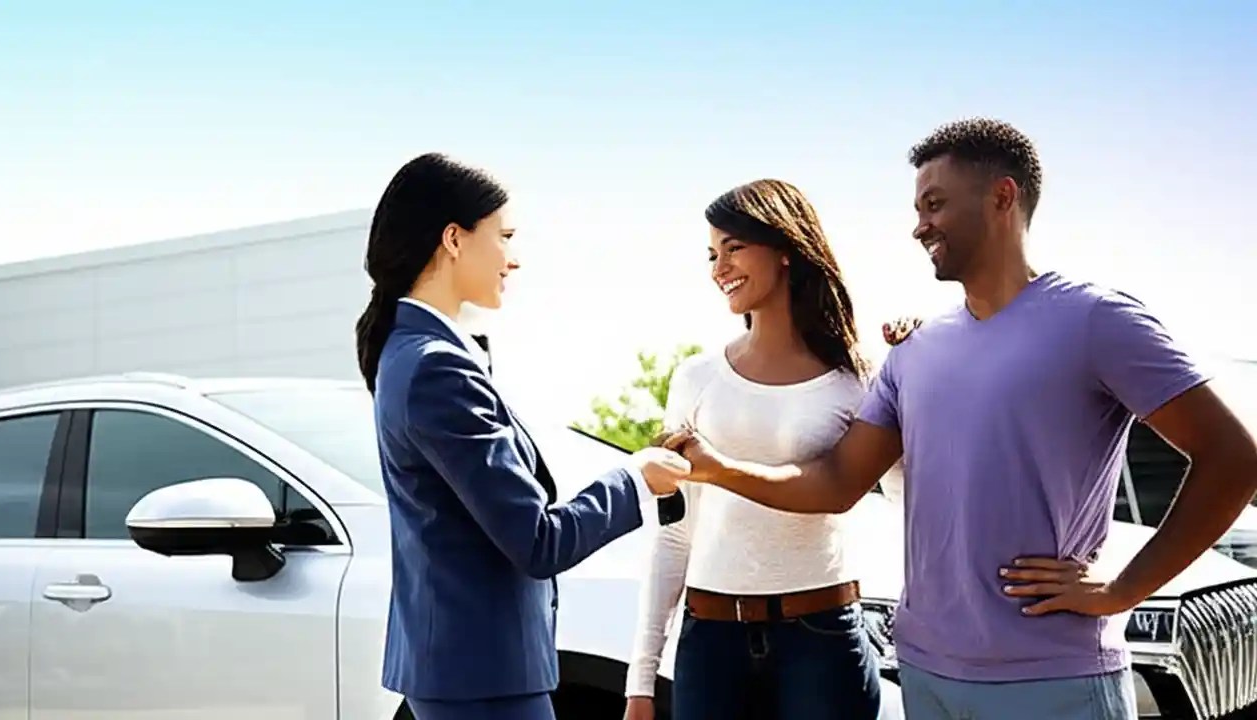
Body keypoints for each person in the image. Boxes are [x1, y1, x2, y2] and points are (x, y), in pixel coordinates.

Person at [661, 118, 1257, 719]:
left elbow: (1234, 458)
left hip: (1053, 677)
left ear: (1002, 196)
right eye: (918, 209)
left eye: (935, 204)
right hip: (928, 675)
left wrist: (1123, 587)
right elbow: (837, 482)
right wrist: (718, 469)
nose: (919, 225)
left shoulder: (1096, 320)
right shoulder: (915, 351)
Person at [355, 152, 692, 720]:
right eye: (505, 236)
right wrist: (637, 479)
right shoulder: (437, 367)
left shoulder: (411, 352)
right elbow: (538, 542)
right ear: (454, 239)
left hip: (464, 671)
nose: (514, 259)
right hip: (483, 679)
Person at [623, 179, 883, 720]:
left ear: (785, 249)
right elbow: (674, 533)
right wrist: (641, 678)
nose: (719, 268)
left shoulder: (857, 379)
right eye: (712, 254)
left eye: (734, 248)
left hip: (822, 642)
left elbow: (907, 499)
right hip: (710, 644)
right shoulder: (696, 378)